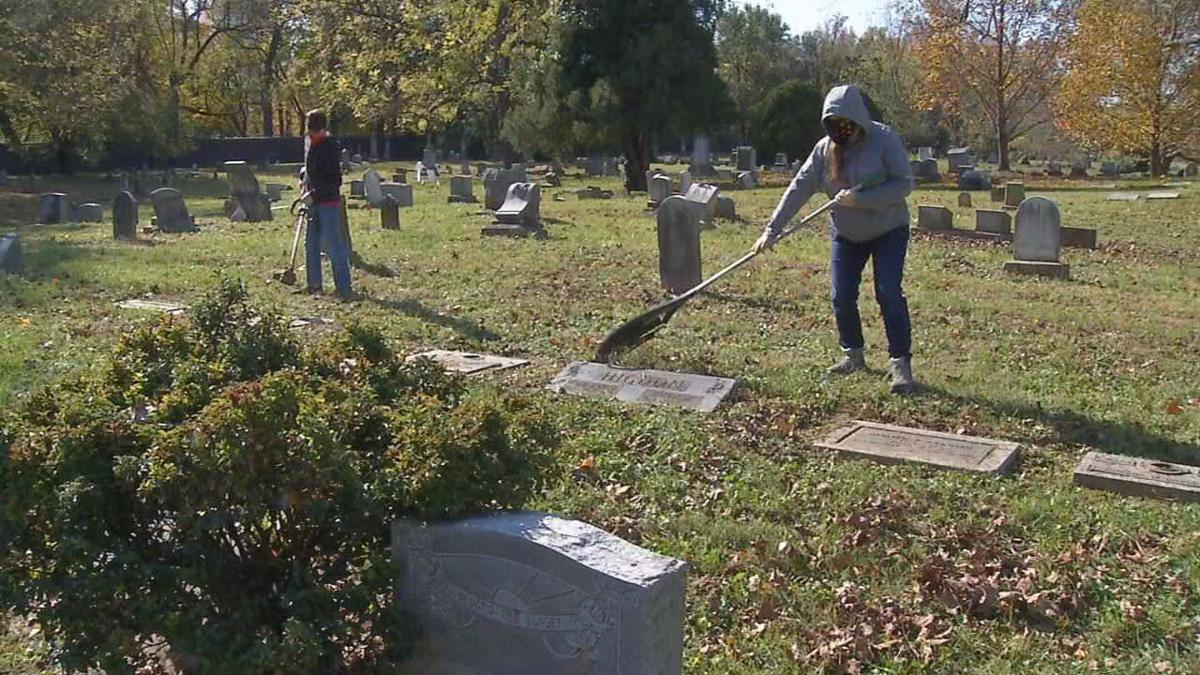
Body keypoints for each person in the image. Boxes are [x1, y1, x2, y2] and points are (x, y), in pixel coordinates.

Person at [752, 84, 916, 394]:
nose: (842, 132)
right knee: (842, 296)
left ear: (858, 121)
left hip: (888, 229)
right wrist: (771, 230)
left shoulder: (884, 139)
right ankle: (852, 355)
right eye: (834, 126)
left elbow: (903, 186)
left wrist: (862, 200)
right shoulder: (823, 150)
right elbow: (798, 189)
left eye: (847, 126)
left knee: (888, 291)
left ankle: (900, 364)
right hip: (847, 233)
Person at [299, 108, 352, 297]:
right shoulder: (310, 144)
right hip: (313, 201)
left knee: (334, 245)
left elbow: (333, 181)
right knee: (311, 244)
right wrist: (303, 180)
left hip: (328, 203)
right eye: (310, 131)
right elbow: (310, 170)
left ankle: (344, 288)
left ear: (323, 130)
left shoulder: (329, 147)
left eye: (316, 131)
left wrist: (314, 194)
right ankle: (314, 285)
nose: (312, 134)